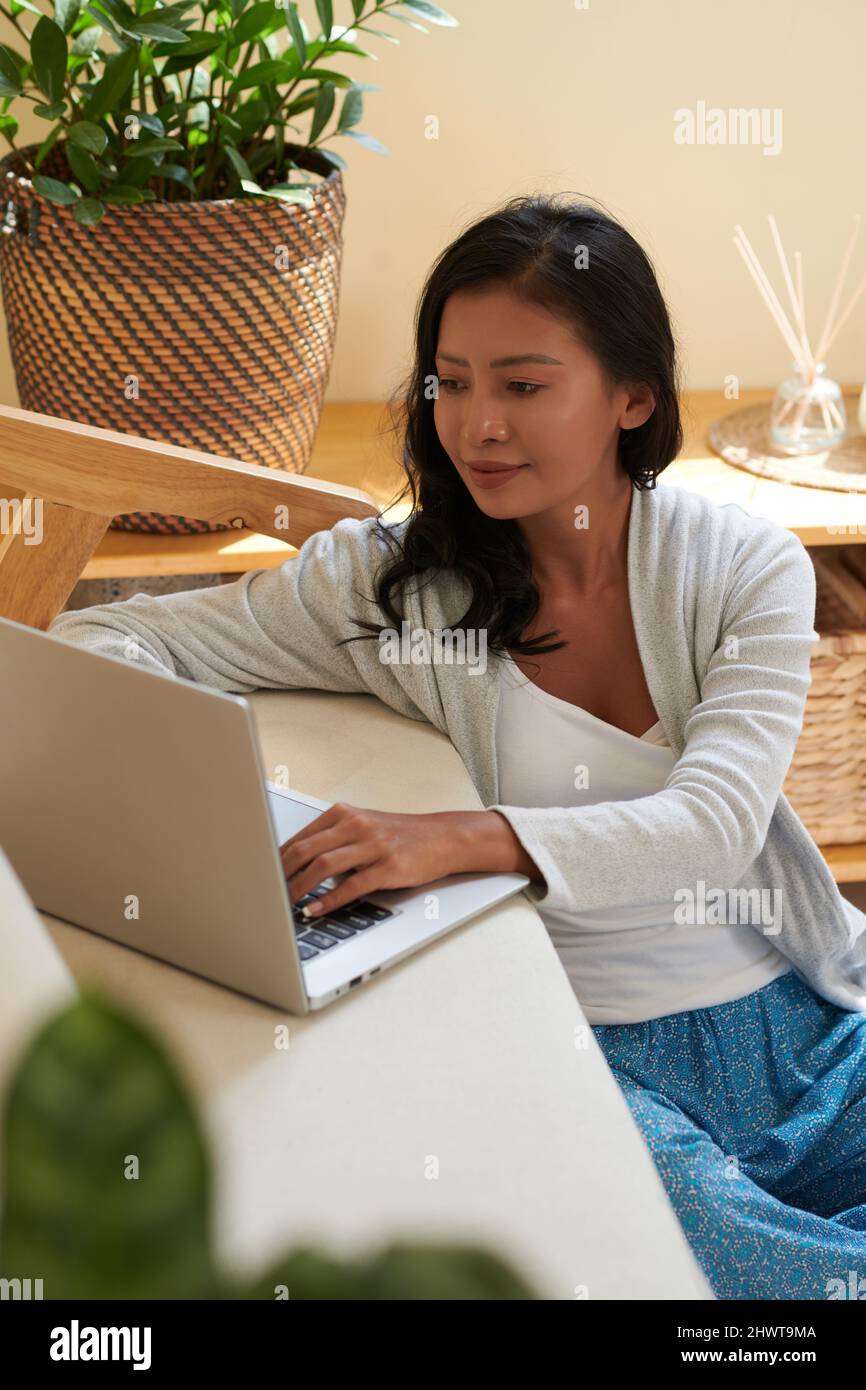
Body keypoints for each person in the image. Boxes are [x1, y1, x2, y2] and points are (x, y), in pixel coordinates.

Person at [49, 193, 866, 1300]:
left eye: (523, 385)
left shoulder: (744, 571)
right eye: (453, 380)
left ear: (631, 396)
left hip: (802, 1031)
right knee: (707, 1263)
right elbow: (119, 634)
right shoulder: (393, 585)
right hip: (599, 1064)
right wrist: (195, 794)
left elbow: (713, 827)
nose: (477, 423)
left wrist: (461, 837)